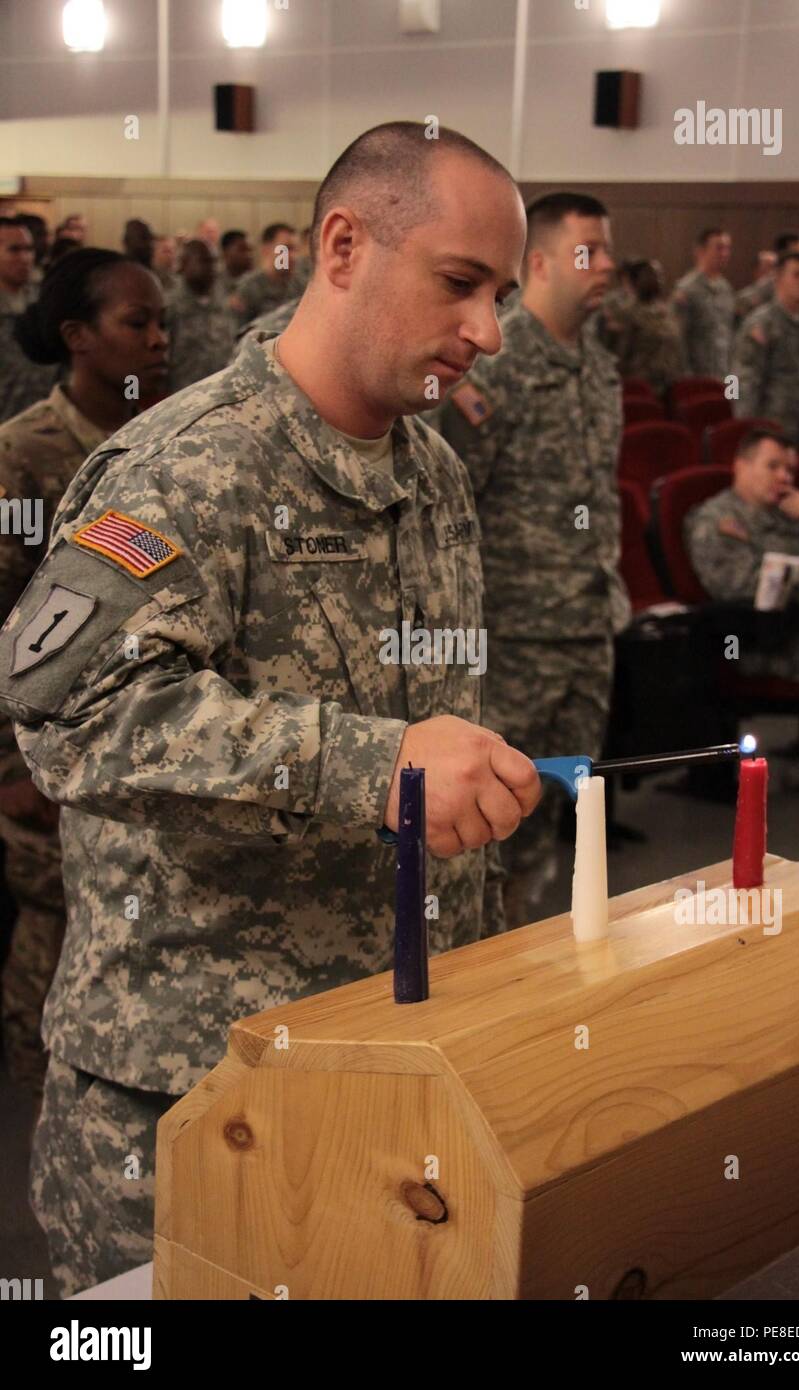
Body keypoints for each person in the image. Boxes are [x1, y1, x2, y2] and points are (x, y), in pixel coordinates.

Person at [0, 121, 539, 1296]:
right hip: (195, 1095)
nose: (487, 332)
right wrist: (380, 768)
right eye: (460, 284)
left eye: (500, 294)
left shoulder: (427, 469)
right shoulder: (187, 466)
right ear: (341, 245)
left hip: (388, 1065)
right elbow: (70, 718)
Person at [0, 247, 169, 1097]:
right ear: (78, 337)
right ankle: (34, 1103)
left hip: (150, 743)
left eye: (160, 321)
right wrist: (8, 766)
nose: (159, 340)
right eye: (136, 323)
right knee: (54, 939)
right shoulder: (23, 452)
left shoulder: (172, 441)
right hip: (49, 760)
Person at [437, 191, 628, 927]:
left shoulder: (599, 370)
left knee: (557, 817)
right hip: (511, 638)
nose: (607, 264)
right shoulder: (494, 369)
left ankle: (529, 945)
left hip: (586, 625)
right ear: (541, 263)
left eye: (608, 249)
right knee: (490, 824)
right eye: (590, 251)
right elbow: (451, 509)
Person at [685, 429, 799, 811]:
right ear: (741, 465)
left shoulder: (794, 513)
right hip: (770, 639)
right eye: (773, 466)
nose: (785, 477)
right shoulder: (717, 519)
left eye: (790, 469)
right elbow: (732, 586)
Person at [731, 251, 799, 443]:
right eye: (797, 275)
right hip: (769, 427)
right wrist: (744, 426)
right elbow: (736, 379)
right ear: (778, 279)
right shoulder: (760, 324)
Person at [0, 217, 57, 424]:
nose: (25, 257)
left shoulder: (44, 300)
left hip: (42, 424)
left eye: (29, 249)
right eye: (14, 250)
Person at [165, 239, 236, 392]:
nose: (212, 268)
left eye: (213, 261)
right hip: (183, 395)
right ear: (183, 264)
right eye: (204, 261)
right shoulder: (170, 306)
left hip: (222, 391)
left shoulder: (222, 302)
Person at [614, 259, 685, 396]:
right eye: (651, 275)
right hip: (641, 388)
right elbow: (620, 356)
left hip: (670, 385)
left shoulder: (666, 312)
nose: (657, 280)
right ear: (636, 281)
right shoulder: (627, 313)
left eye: (659, 275)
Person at [673, 226, 735, 378]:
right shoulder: (687, 290)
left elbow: (728, 334)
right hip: (698, 377)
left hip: (725, 373)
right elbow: (678, 339)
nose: (725, 254)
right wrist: (686, 378)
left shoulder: (725, 288)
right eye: (719, 248)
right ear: (700, 251)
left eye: (727, 248)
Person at [228, 222, 305, 326]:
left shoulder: (301, 286)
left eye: (295, 249)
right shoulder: (248, 288)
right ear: (266, 249)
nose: (293, 256)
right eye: (285, 248)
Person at [214, 229, 254, 302]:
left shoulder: (256, 282)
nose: (249, 255)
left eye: (250, 250)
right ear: (225, 253)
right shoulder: (214, 282)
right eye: (242, 250)